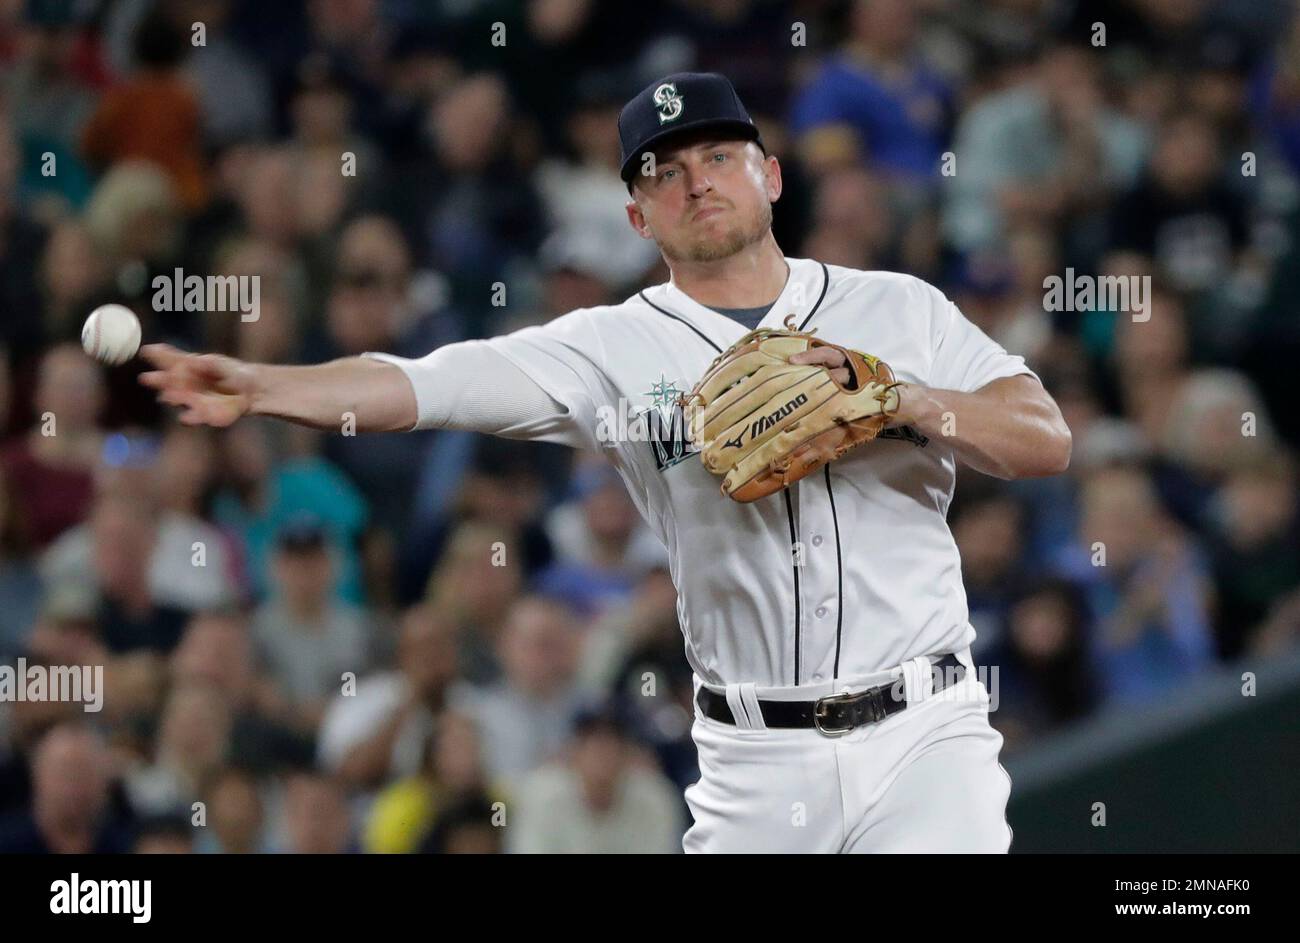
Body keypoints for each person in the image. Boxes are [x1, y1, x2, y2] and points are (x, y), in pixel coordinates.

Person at [140, 72, 1071, 853]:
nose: (695, 182)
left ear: (773, 175)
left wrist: (900, 397)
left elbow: (1044, 438)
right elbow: (430, 383)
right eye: (662, 172)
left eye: (717, 157)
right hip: (757, 757)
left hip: (924, 733)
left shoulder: (897, 310)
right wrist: (265, 385)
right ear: (636, 214)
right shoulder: (613, 349)